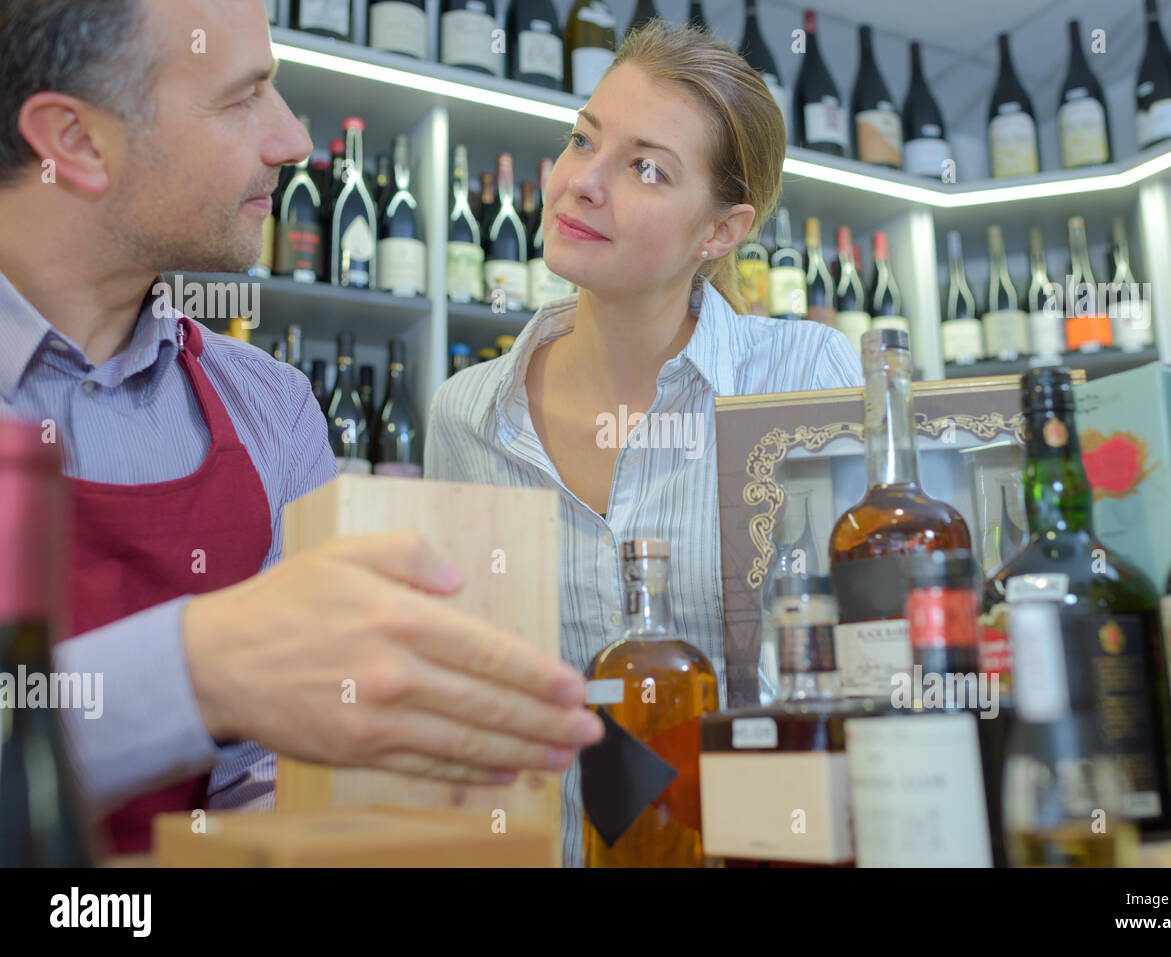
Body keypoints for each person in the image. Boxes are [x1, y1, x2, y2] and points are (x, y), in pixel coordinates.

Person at [0, 0, 602, 855]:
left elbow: (271, 777)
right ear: (77, 142)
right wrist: (199, 670)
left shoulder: (272, 405)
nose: (292, 141)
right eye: (243, 98)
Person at [426, 21, 867, 867]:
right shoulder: (466, 417)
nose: (583, 183)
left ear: (720, 231)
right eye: (582, 139)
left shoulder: (805, 374)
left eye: (646, 167)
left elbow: (868, 670)